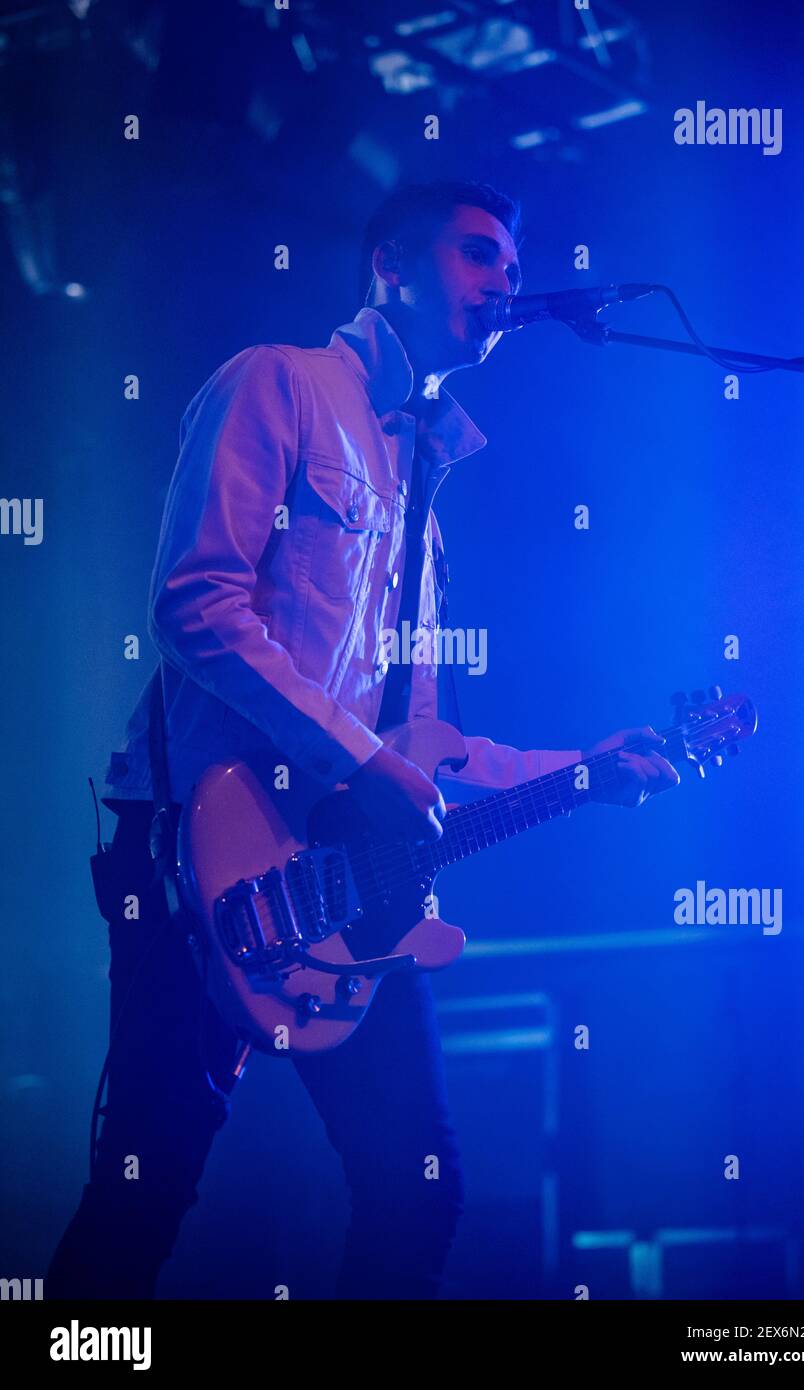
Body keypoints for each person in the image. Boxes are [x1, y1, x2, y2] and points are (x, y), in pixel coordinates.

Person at [47, 179, 679, 1301]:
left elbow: (418, 746)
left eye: (511, 266)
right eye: (478, 256)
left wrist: (581, 770)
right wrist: (363, 762)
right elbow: (196, 605)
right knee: (147, 1186)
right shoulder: (277, 384)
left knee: (416, 1190)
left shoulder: (423, 484)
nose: (506, 284)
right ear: (389, 267)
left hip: (336, 874)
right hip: (200, 845)